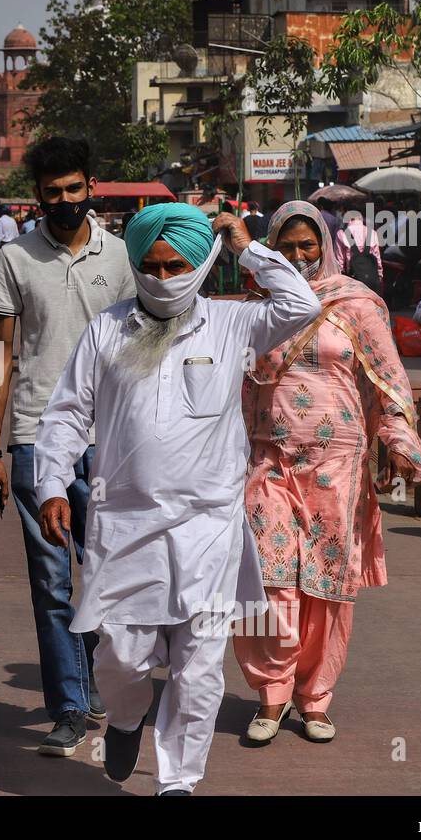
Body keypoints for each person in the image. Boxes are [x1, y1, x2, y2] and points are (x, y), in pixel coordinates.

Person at [34, 203, 321, 794]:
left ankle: (179, 783)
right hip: (126, 527)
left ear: (201, 264)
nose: (163, 278)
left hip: (209, 529)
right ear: (136, 265)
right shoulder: (106, 330)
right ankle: (124, 717)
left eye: (177, 266)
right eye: (152, 266)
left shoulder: (233, 324)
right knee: (121, 660)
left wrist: (247, 248)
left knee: (198, 672)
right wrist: (52, 483)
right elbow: (66, 416)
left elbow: (303, 304)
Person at [234, 201, 421, 744]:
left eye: (308, 246)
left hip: (337, 463)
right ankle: (271, 696)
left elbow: (390, 381)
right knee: (270, 577)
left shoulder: (355, 303)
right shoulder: (255, 307)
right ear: (269, 250)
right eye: (286, 246)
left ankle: (316, 697)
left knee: (326, 585)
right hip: (267, 460)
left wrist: (397, 441)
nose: (298, 256)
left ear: (325, 247)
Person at [0, 136, 135, 756]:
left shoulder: (123, 257)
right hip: (34, 438)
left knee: (107, 575)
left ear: (90, 187)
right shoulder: (15, 258)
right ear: (37, 197)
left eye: (75, 189)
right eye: (53, 193)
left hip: (110, 440)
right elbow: (0, 357)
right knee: (51, 583)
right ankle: (68, 706)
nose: (66, 201)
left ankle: (91, 671)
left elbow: (143, 344)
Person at [335, 201, 384, 286]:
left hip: (351, 279)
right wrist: (379, 276)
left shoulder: (341, 233)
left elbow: (339, 262)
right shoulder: (372, 232)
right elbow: (377, 257)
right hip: (371, 277)